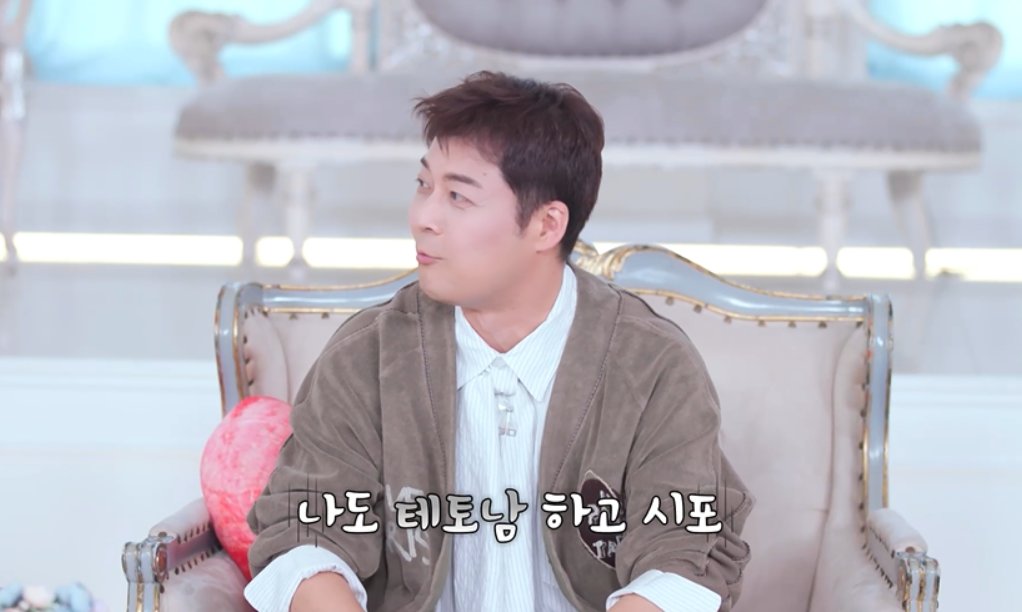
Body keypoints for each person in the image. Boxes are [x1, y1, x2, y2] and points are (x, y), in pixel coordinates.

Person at [243, 71, 754, 612]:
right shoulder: (369, 356)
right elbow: (306, 532)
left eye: (458, 196)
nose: (422, 218)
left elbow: (684, 555)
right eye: (423, 185)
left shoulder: (652, 366)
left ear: (546, 225)